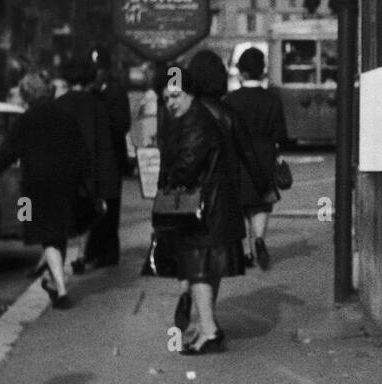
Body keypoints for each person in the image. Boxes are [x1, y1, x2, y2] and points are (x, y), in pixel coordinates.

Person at [156, 51, 267, 355]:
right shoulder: (227, 113)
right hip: (224, 197)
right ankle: (206, 321)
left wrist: (165, 185)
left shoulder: (187, 115)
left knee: (197, 263)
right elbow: (248, 156)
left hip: (195, 201)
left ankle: (206, 326)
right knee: (208, 265)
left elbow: (177, 160)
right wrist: (263, 189)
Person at [0, 72, 92, 309]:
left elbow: (7, 154)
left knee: (48, 236)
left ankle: (60, 289)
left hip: (36, 185)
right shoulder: (65, 116)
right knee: (57, 234)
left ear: (27, 95)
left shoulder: (25, 121)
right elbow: (81, 152)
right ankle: (53, 280)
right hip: (64, 183)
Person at [226, 47, 287, 270]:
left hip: (238, 159)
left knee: (240, 206)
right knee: (261, 203)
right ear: (262, 72)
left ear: (241, 73)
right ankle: (259, 240)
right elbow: (281, 135)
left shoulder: (231, 100)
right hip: (264, 156)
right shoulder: (272, 100)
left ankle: (245, 252)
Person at [56, 57, 119, 273]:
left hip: (66, 170)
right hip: (92, 171)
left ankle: (58, 262)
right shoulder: (97, 105)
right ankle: (82, 253)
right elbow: (105, 145)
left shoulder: (59, 105)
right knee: (88, 214)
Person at [86, 45, 131, 266]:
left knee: (111, 209)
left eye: (100, 69)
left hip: (112, 159)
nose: (96, 73)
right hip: (94, 160)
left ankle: (108, 252)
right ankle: (95, 251)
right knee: (94, 208)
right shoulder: (89, 93)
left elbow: (122, 124)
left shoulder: (115, 91)